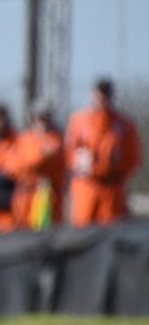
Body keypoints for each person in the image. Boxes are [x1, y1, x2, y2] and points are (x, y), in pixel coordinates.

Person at [65, 77, 142, 225]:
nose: (102, 99)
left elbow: (133, 156)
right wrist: (80, 162)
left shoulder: (123, 124)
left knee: (110, 233)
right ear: (93, 95)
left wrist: (117, 166)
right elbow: (69, 151)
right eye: (99, 94)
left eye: (106, 95)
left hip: (112, 187)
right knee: (82, 230)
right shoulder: (79, 120)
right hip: (86, 185)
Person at [8, 103, 66, 229]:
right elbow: (13, 167)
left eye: (45, 118)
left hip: (46, 195)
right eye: (38, 118)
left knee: (45, 231)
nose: (41, 122)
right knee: (22, 231)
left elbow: (51, 160)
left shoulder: (56, 139)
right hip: (24, 194)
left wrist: (35, 160)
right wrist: (39, 156)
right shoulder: (23, 139)